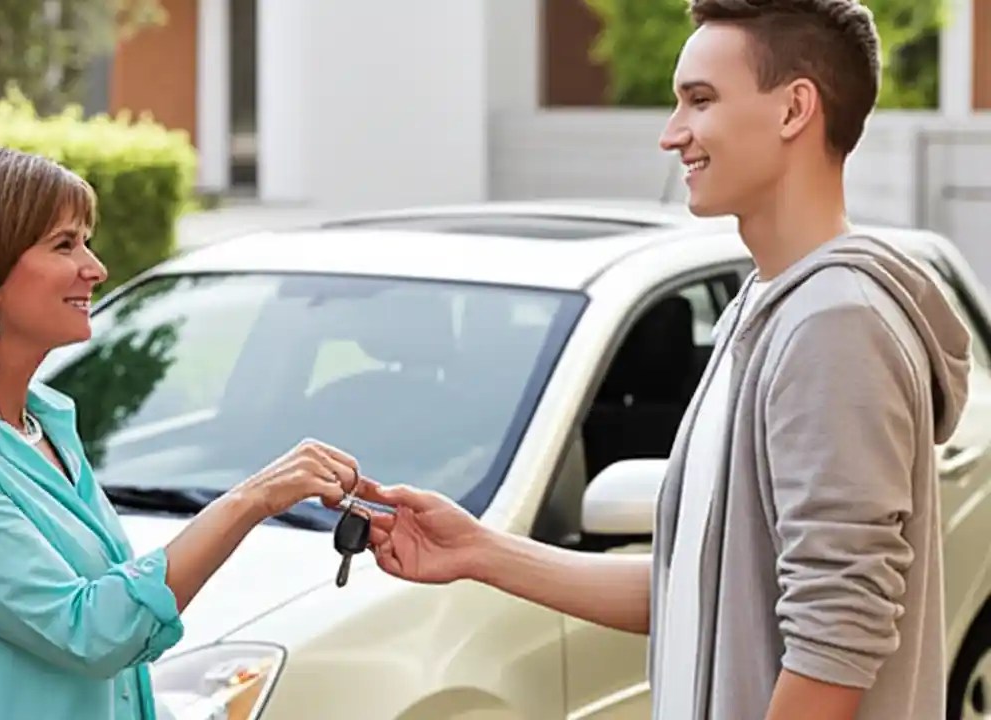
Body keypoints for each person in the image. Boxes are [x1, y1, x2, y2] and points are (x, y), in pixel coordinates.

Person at [357, 1, 972, 718]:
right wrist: (477, 552)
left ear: (793, 109)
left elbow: (836, 640)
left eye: (700, 101)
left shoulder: (834, 325)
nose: (671, 134)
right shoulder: (760, 308)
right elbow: (698, 591)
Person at [0, 147, 361, 720]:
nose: (95, 268)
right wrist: (252, 500)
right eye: (65, 245)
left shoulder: (43, 421)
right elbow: (91, 632)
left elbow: (117, 660)